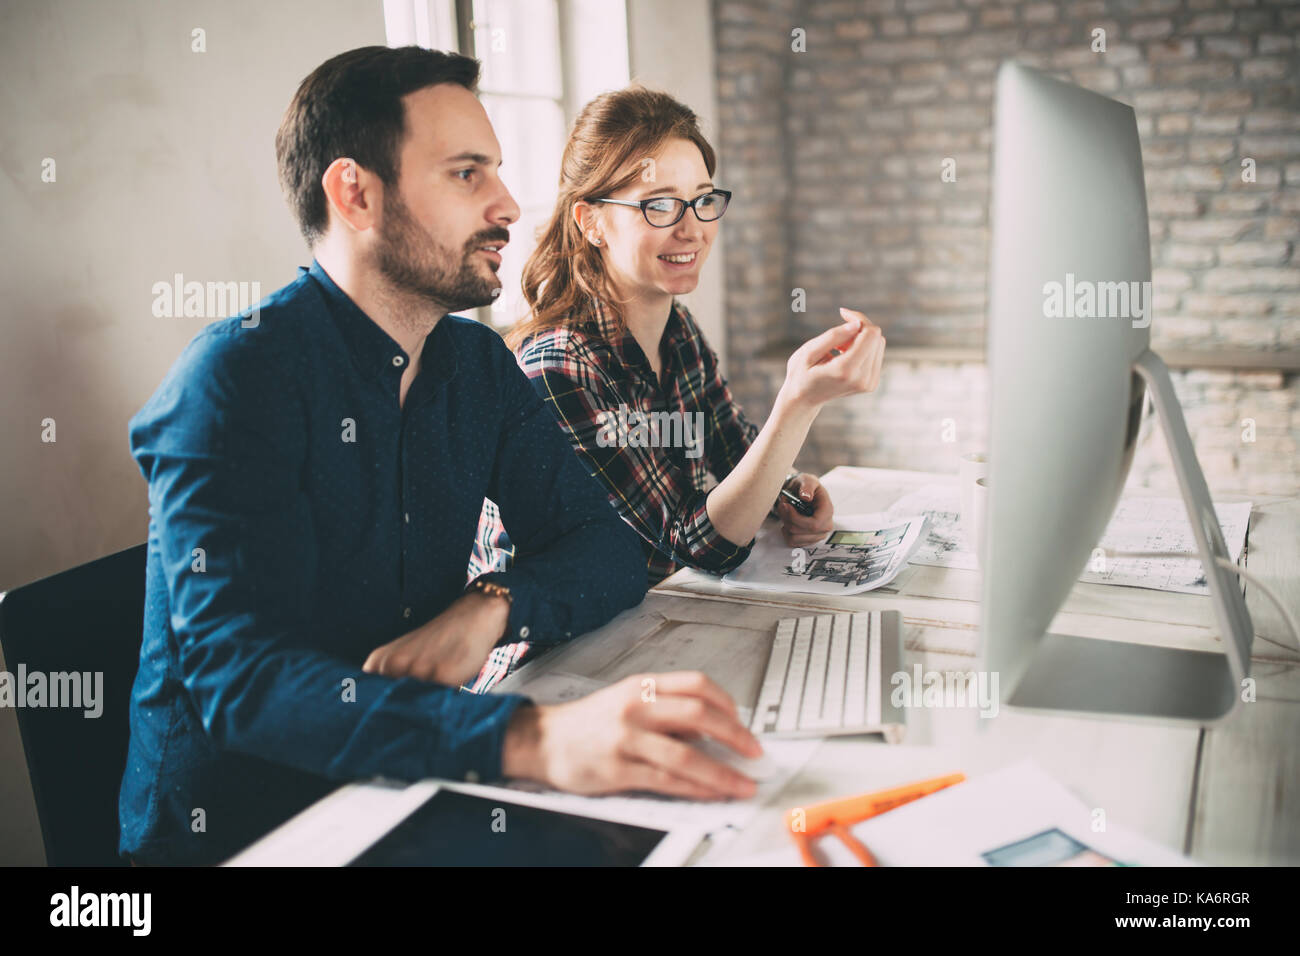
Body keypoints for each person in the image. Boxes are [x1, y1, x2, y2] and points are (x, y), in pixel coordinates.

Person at [122, 48, 761, 866]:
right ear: (355, 193)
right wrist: (529, 739)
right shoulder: (235, 380)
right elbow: (248, 686)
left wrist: (492, 603)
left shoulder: (472, 363)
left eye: (495, 170)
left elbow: (602, 548)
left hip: (422, 778)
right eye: (466, 175)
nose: (507, 203)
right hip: (254, 835)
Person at [469, 86, 885, 691]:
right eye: (658, 205)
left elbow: (738, 453)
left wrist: (790, 492)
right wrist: (800, 402)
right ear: (591, 221)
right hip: (545, 671)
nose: (691, 229)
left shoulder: (676, 329)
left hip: (647, 623)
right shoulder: (559, 368)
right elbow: (700, 544)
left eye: (701, 200)